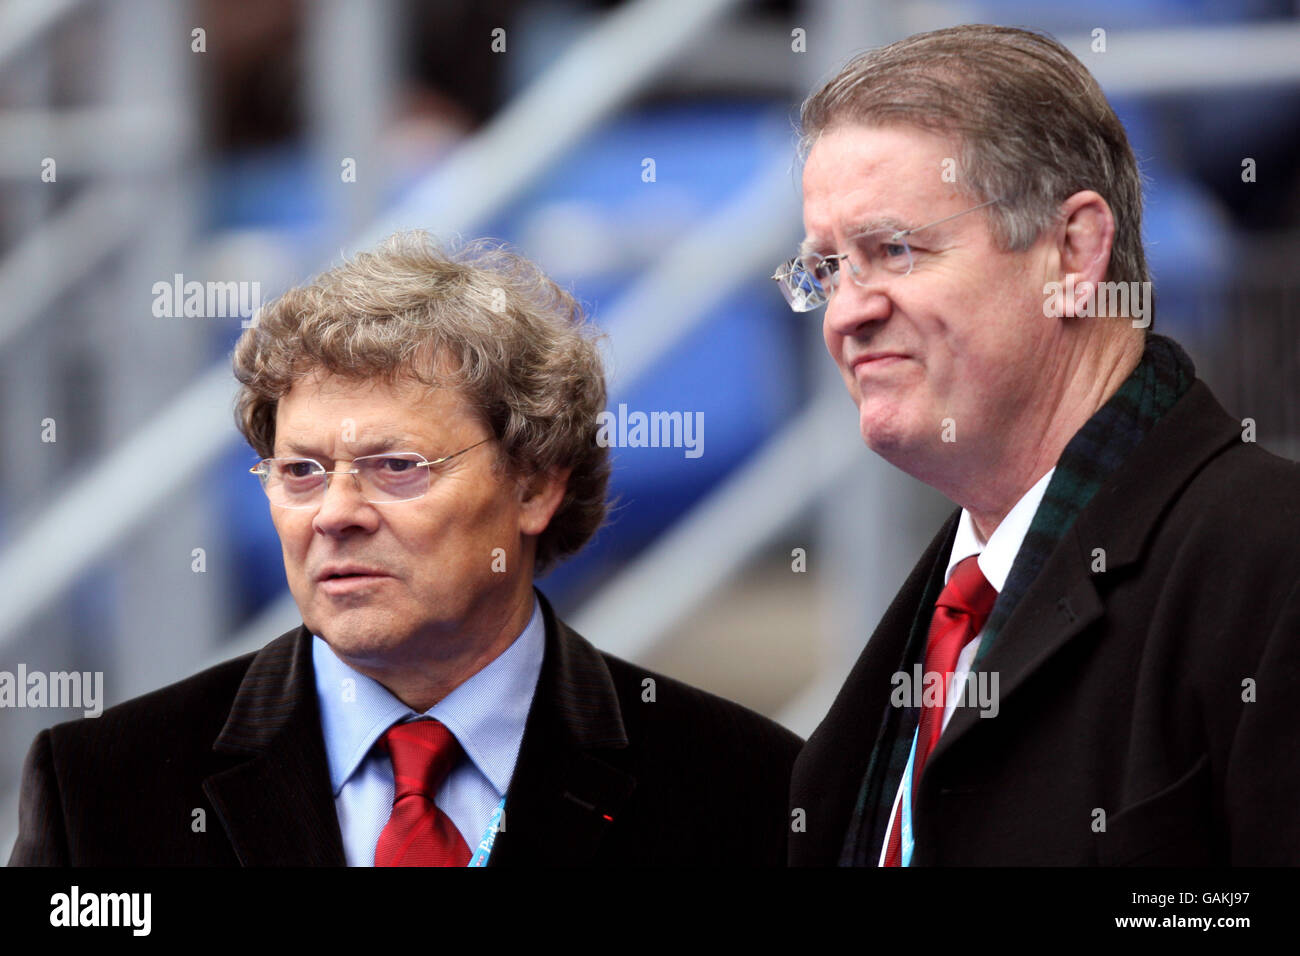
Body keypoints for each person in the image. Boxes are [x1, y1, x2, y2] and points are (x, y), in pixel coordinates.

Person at [10, 232, 800, 866]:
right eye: (302, 472)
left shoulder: (744, 788)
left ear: (533, 487)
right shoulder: (104, 788)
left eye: (397, 468)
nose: (337, 514)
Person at [776, 25, 1299, 866]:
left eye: (895, 250)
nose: (847, 313)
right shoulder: (933, 622)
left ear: (1075, 251)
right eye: (828, 270)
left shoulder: (1272, 565)